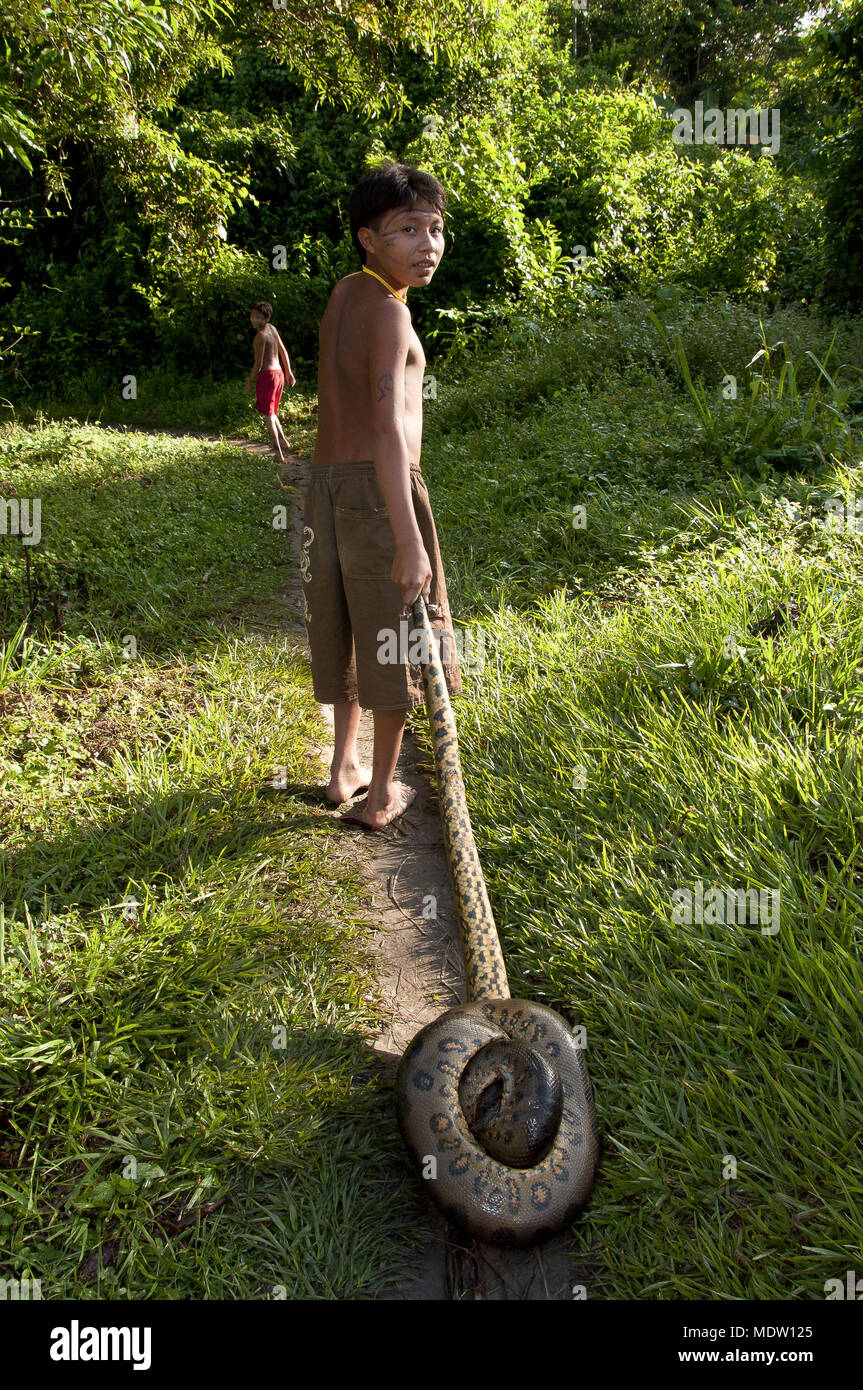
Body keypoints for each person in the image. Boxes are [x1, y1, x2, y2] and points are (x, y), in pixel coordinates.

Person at [301, 161, 462, 831]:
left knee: (343, 627)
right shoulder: (391, 316)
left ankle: (343, 769)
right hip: (377, 490)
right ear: (368, 237)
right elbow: (390, 433)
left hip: (327, 488)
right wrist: (407, 540)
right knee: (395, 638)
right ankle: (378, 796)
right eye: (405, 231)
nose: (425, 245)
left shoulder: (346, 294)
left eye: (434, 228)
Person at [245, 301, 295, 462]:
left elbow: (259, 364)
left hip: (268, 376)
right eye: (252, 316)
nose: (254, 320)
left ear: (266, 318)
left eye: (258, 317)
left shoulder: (260, 336)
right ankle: (283, 441)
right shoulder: (272, 329)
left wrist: (250, 381)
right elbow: (282, 350)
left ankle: (278, 453)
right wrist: (288, 371)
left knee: (268, 415)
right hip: (278, 374)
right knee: (272, 412)